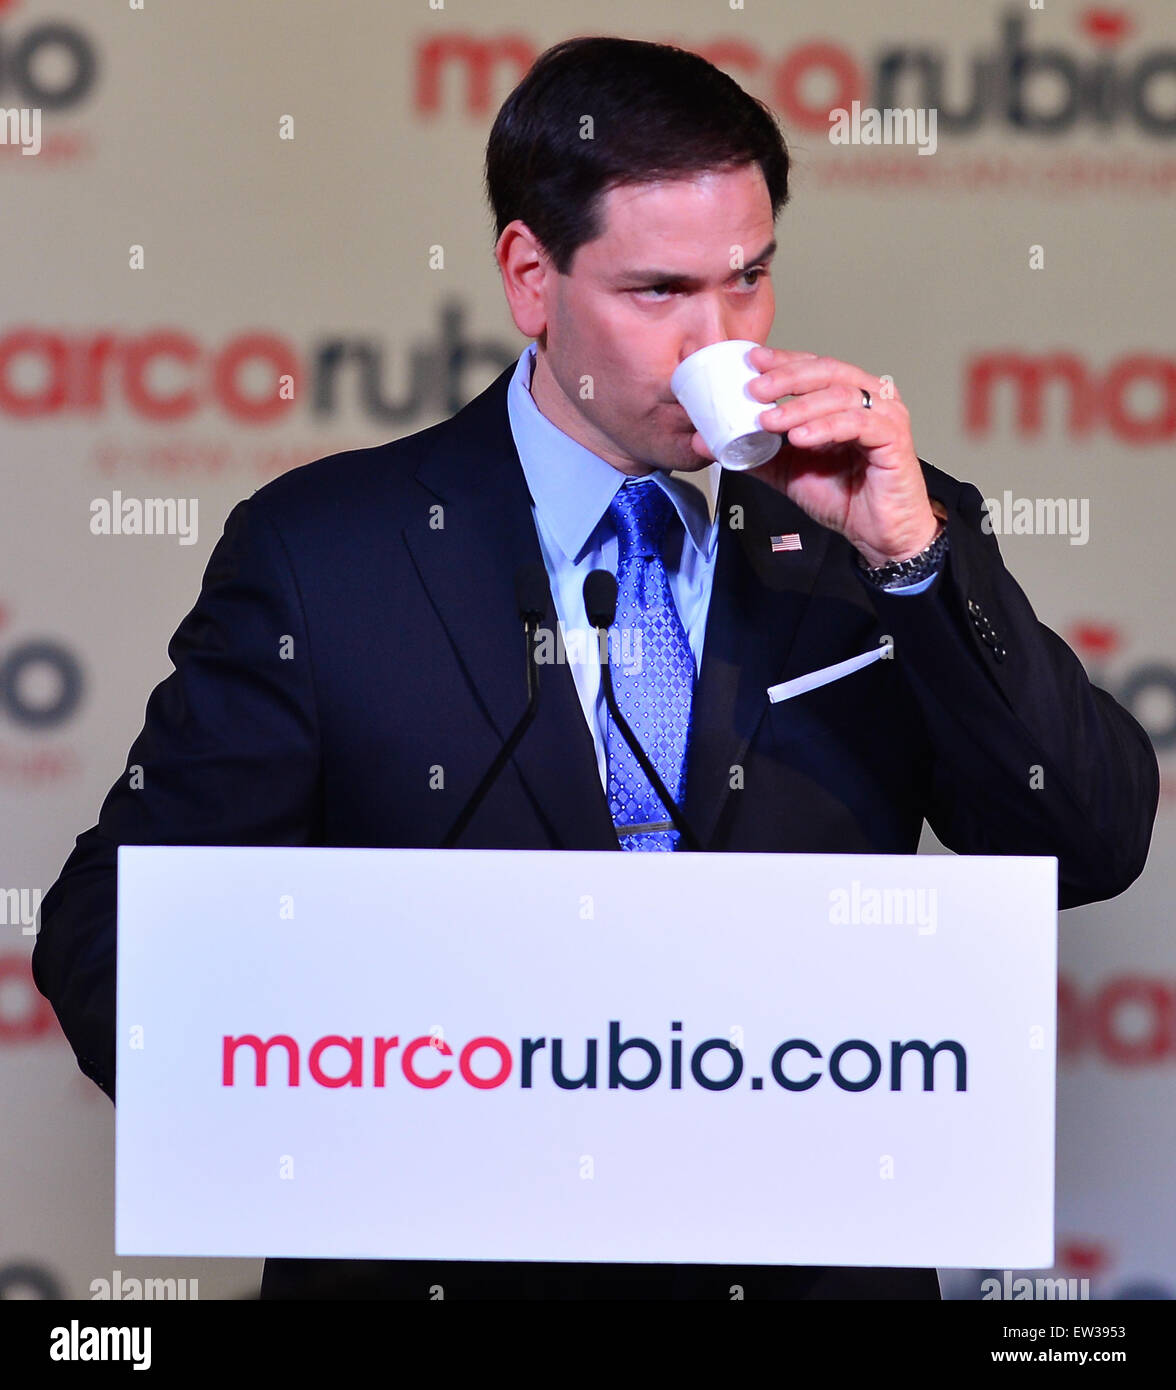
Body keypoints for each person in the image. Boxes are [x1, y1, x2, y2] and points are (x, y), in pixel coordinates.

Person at [34, 36, 1158, 1301]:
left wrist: (913, 559)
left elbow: (1091, 836)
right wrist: (378, 1084)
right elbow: (109, 936)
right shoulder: (330, 554)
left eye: (749, 280)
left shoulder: (871, 526)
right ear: (530, 277)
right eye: (658, 291)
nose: (717, 339)